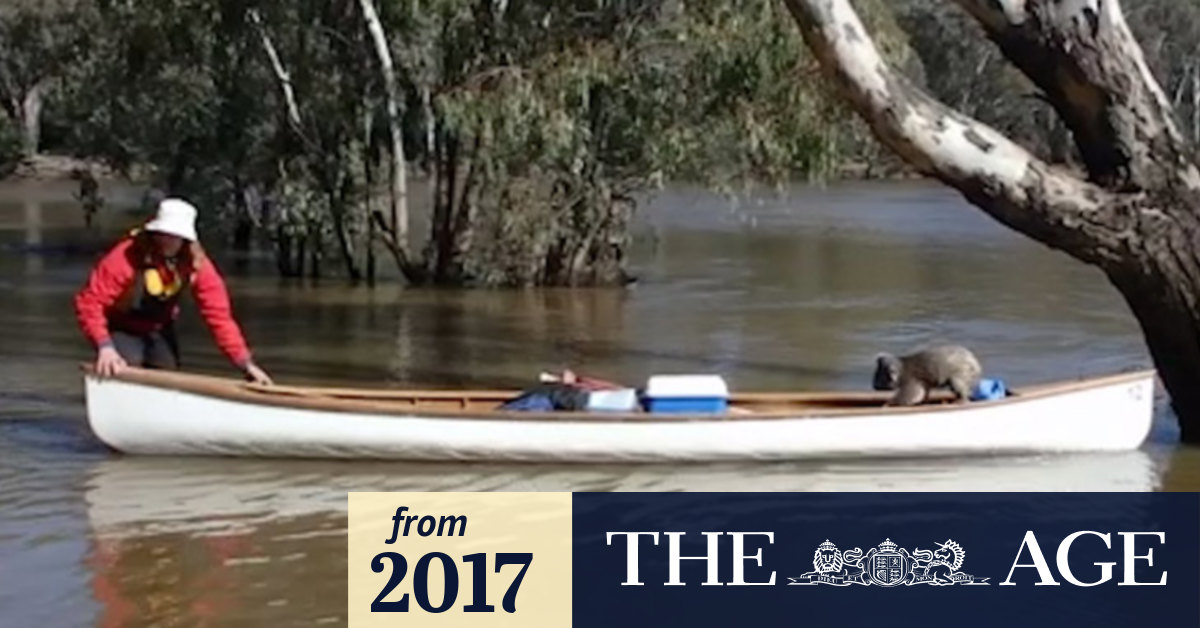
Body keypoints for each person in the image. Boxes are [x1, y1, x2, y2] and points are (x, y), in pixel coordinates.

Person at [74, 197, 273, 385]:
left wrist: (245, 364)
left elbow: (219, 317)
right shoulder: (125, 256)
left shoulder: (197, 264)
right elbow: (90, 302)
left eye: (174, 236)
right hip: (122, 328)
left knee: (167, 373)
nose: (166, 240)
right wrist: (105, 346)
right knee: (122, 367)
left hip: (159, 328)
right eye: (162, 234)